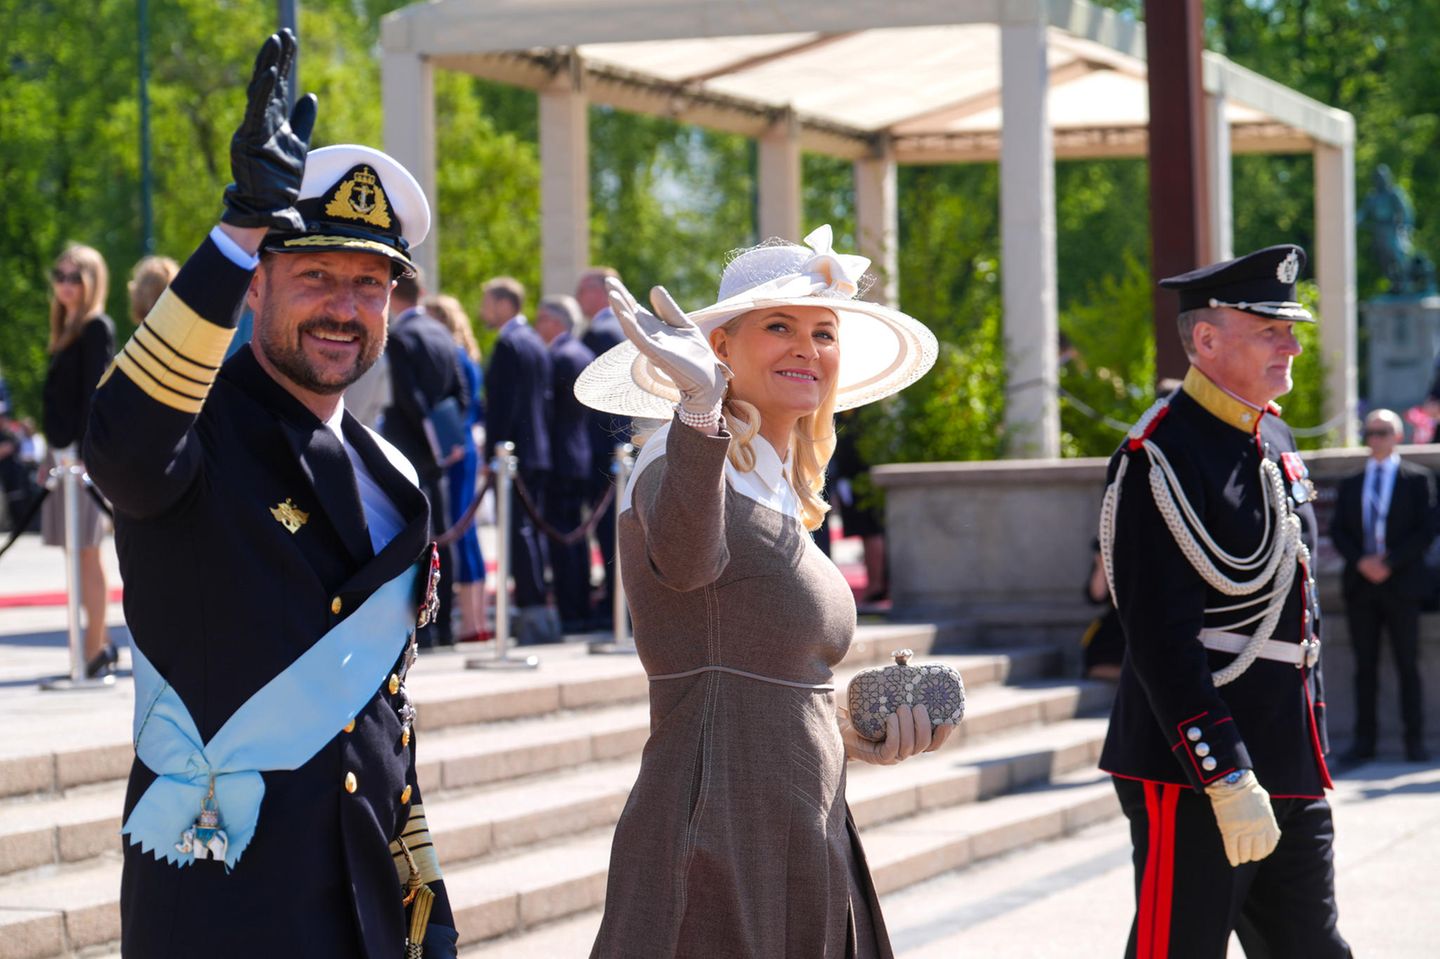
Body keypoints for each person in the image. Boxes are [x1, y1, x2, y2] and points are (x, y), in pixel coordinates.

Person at [83, 31, 456, 957]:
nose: (344, 305)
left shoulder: (391, 472)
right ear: (257, 287)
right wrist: (238, 223)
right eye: (317, 275)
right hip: (224, 905)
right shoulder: (196, 431)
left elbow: (384, 727)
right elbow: (119, 447)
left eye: (369, 285)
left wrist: (423, 914)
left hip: (372, 902)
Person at [577, 225, 950, 957]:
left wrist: (853, 727)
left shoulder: (783, 484)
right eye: (779, 326)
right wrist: (697, 410)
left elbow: (760, 673)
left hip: (798, 821)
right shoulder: (675, 453)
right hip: (717, 828)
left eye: (823, 330)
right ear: (720, 348)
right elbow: (685, 566)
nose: (806, 347)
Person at [1098, 245, 1350, 958]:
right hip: (1197, 762)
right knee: (1178, 947)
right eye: (1270, 328)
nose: (1292, 343)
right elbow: (1159, 638)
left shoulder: (1272, 436)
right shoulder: (1160, 454)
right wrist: (1225, 770)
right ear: (1205, 340)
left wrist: (1298, 754)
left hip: (1287, 750)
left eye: (1290, 328)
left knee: (1314, 946)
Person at [1330, 408, 1436, 762]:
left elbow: (1426, 530)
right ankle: (1364, 742)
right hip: (1361, 586)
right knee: (1365, 667)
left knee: (1408, 663)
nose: (1376, 438)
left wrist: (1389, 563)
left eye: (1383, 432)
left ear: (1397, 436)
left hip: (1402, 585)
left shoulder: (1416, 480)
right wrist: (1362, 561)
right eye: (1371, 432)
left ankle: (1414, 741)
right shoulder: (1351, 483)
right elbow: (1339, 530)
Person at [41, 242, 116, 677]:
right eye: (60, 276)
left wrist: (89, 455)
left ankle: (95, 647)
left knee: (88, 552)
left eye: (75, 277)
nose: (65, 285)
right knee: (77, 552)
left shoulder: (95, 328)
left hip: (83, 457)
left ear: (91, 282)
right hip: (63, 454)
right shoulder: (65, 328)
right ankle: (91, 646)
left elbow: (96, 394)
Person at [382, 270, 468, 649]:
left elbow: (408, 400)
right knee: (441, 538)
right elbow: (460, 394)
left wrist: (428, 440)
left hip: (408, 451)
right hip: (437, 454)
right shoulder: (441, 334)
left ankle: (424, 628)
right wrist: (447, 441)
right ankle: (444, 621)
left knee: (415, 540)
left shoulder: (400, 337)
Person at [481, 275, 555, 641]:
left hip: (514, 452)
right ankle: (535, 604)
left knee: (519, 531)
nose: (483, 310)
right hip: (537, 450)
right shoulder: (535, 342)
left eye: (488, 302)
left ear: (505, 303)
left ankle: (531, 608)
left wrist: (492, 451)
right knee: (531, 533)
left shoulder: (510, 343)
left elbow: (502, 407)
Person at [424, 292, 490, 643]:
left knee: (459, 530)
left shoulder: (452, 355)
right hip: (466, 446)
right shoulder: (469, 355)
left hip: (453, 449)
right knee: (468, 533)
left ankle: (469, 620)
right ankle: (475, 619)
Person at [534, 294, 596, 633]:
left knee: (564, 538)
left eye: (541, 319)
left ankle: (572, 609)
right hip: (579, 453)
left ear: (556, 322)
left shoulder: (558, 357)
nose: (537, 326)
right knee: (575, 538)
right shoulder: (581, 353)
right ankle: (579, 605)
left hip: (560, 457)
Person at [578, 266, 625, 616]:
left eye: (583, 290)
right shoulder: (621, 329)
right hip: (624, 442)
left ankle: (613, 607)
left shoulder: (599, 334)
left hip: (602, 443)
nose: (578, 298)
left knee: (609, 530)